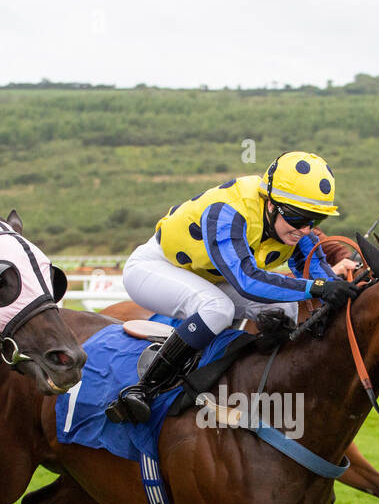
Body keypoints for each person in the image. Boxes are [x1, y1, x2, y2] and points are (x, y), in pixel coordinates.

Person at [106, 151, 361, 424]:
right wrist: (318, 287)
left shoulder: (298, 228)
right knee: (218, 309)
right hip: (155, 268)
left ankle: (260, 389)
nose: (306, 230)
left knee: (284, 307)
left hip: (208, 277)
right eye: (299, 219)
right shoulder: (228, 210)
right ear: (272, 205)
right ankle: (143, 390)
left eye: (316, 221)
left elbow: (320, 275)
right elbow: (246, 281)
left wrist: (351, 293)